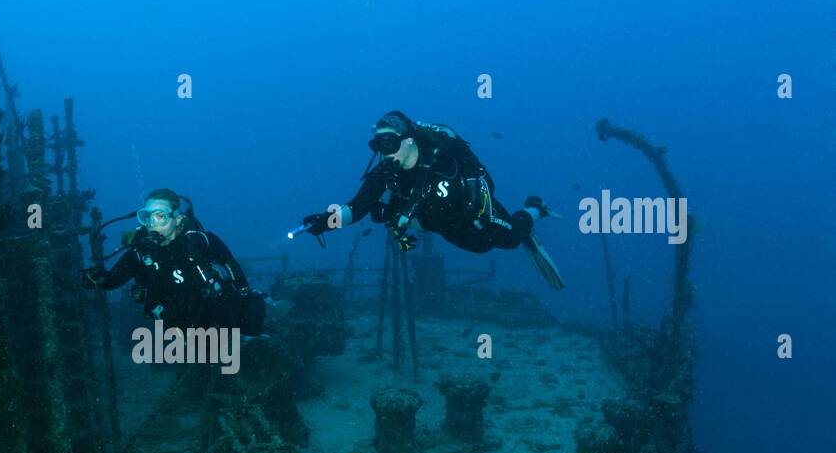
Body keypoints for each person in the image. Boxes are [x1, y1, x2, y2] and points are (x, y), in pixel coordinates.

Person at [298, 111, 565, 289]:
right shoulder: (387, 170)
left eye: (389, 144)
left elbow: (443, 203)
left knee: (509, 240)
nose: (383, 153)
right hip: (442, 224)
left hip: (473, 209)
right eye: (377, 146)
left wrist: (396, 214)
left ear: (410, 140)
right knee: (482, 248)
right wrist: (327, 221)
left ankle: (534, 211)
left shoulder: (442, 163)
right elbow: (357, 207)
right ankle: (528, 217)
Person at [82, 188, 266, 335]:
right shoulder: (141, 251)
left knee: (251, 324)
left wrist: (245, 294)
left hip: (212, 307)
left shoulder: (198, 241)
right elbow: (112, 280)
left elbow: (230, 264)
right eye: (147, 216)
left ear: (177, 219)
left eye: (160, 216)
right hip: (179, 320)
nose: (152, 224)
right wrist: (96, 279)